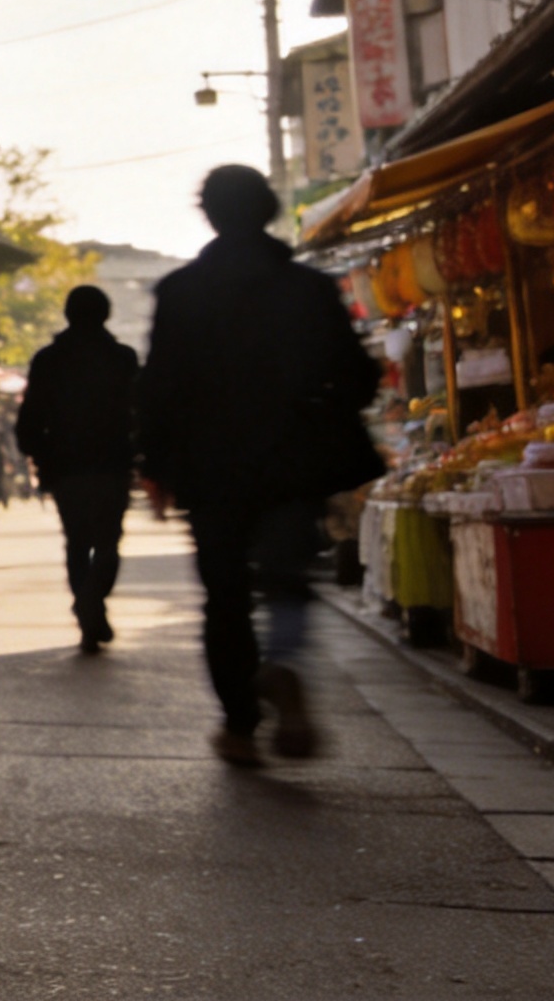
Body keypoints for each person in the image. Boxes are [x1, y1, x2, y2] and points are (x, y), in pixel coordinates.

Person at [139, 165, 381, 769]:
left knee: (225, 598)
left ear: (209, 214)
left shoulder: (180, 292)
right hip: (293, 464)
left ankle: (239, 727)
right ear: (269, 208)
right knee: (288, 579)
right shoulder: (309, 289)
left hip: (210, 470)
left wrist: (156, 467)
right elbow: (357, 375)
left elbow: (159, 389)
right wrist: (320, 412)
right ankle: (284, 663)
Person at [14, 285, 138, 653]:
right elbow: (141, 412)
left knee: (78, 542)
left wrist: (39, 456)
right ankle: (92, 601)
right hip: (112, 465)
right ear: (106, 314)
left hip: (65, 468)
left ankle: (87, 607)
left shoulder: (48, 360)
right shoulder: (123, 359)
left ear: (68, 315)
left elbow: (30, 417)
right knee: (108, 543)